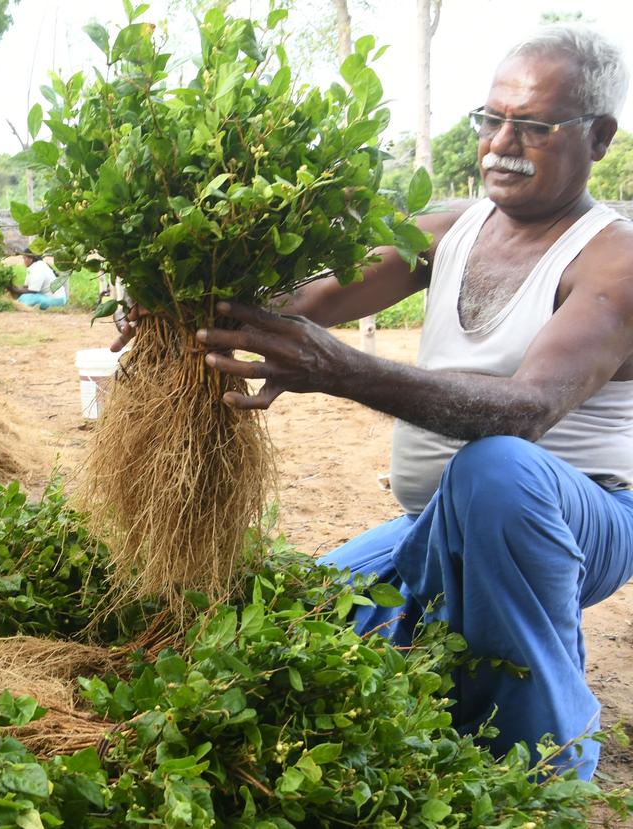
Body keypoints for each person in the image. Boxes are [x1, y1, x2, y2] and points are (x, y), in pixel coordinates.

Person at [117, 26, 632, 780]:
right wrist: (175, 308)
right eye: (490, 120)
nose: (501, 143)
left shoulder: (614, 259)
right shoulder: (450, 231)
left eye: (533, 126)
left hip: (578, 518)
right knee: (283, 622)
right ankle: (485, 651)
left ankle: (543, 768)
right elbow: (300, 301)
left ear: (599, 138)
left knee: (497, 472)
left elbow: (528, 410)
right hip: (434, 525)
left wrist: (342, 370)